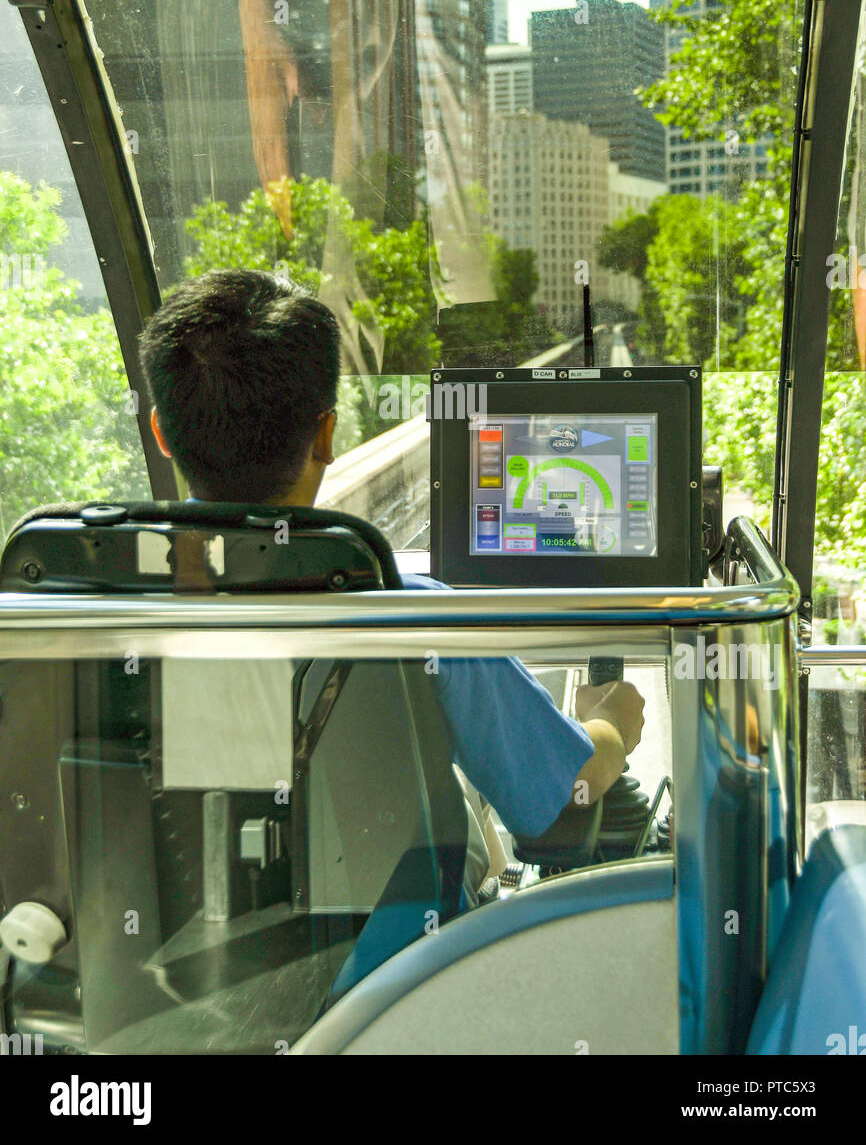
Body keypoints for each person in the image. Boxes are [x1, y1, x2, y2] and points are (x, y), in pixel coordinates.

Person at [138, 269, 645, 873]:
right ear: (326, 434)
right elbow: (563, 805)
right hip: (409, 963)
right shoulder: (407, 611)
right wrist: (608, 723)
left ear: (162, 433)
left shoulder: (82, 608)